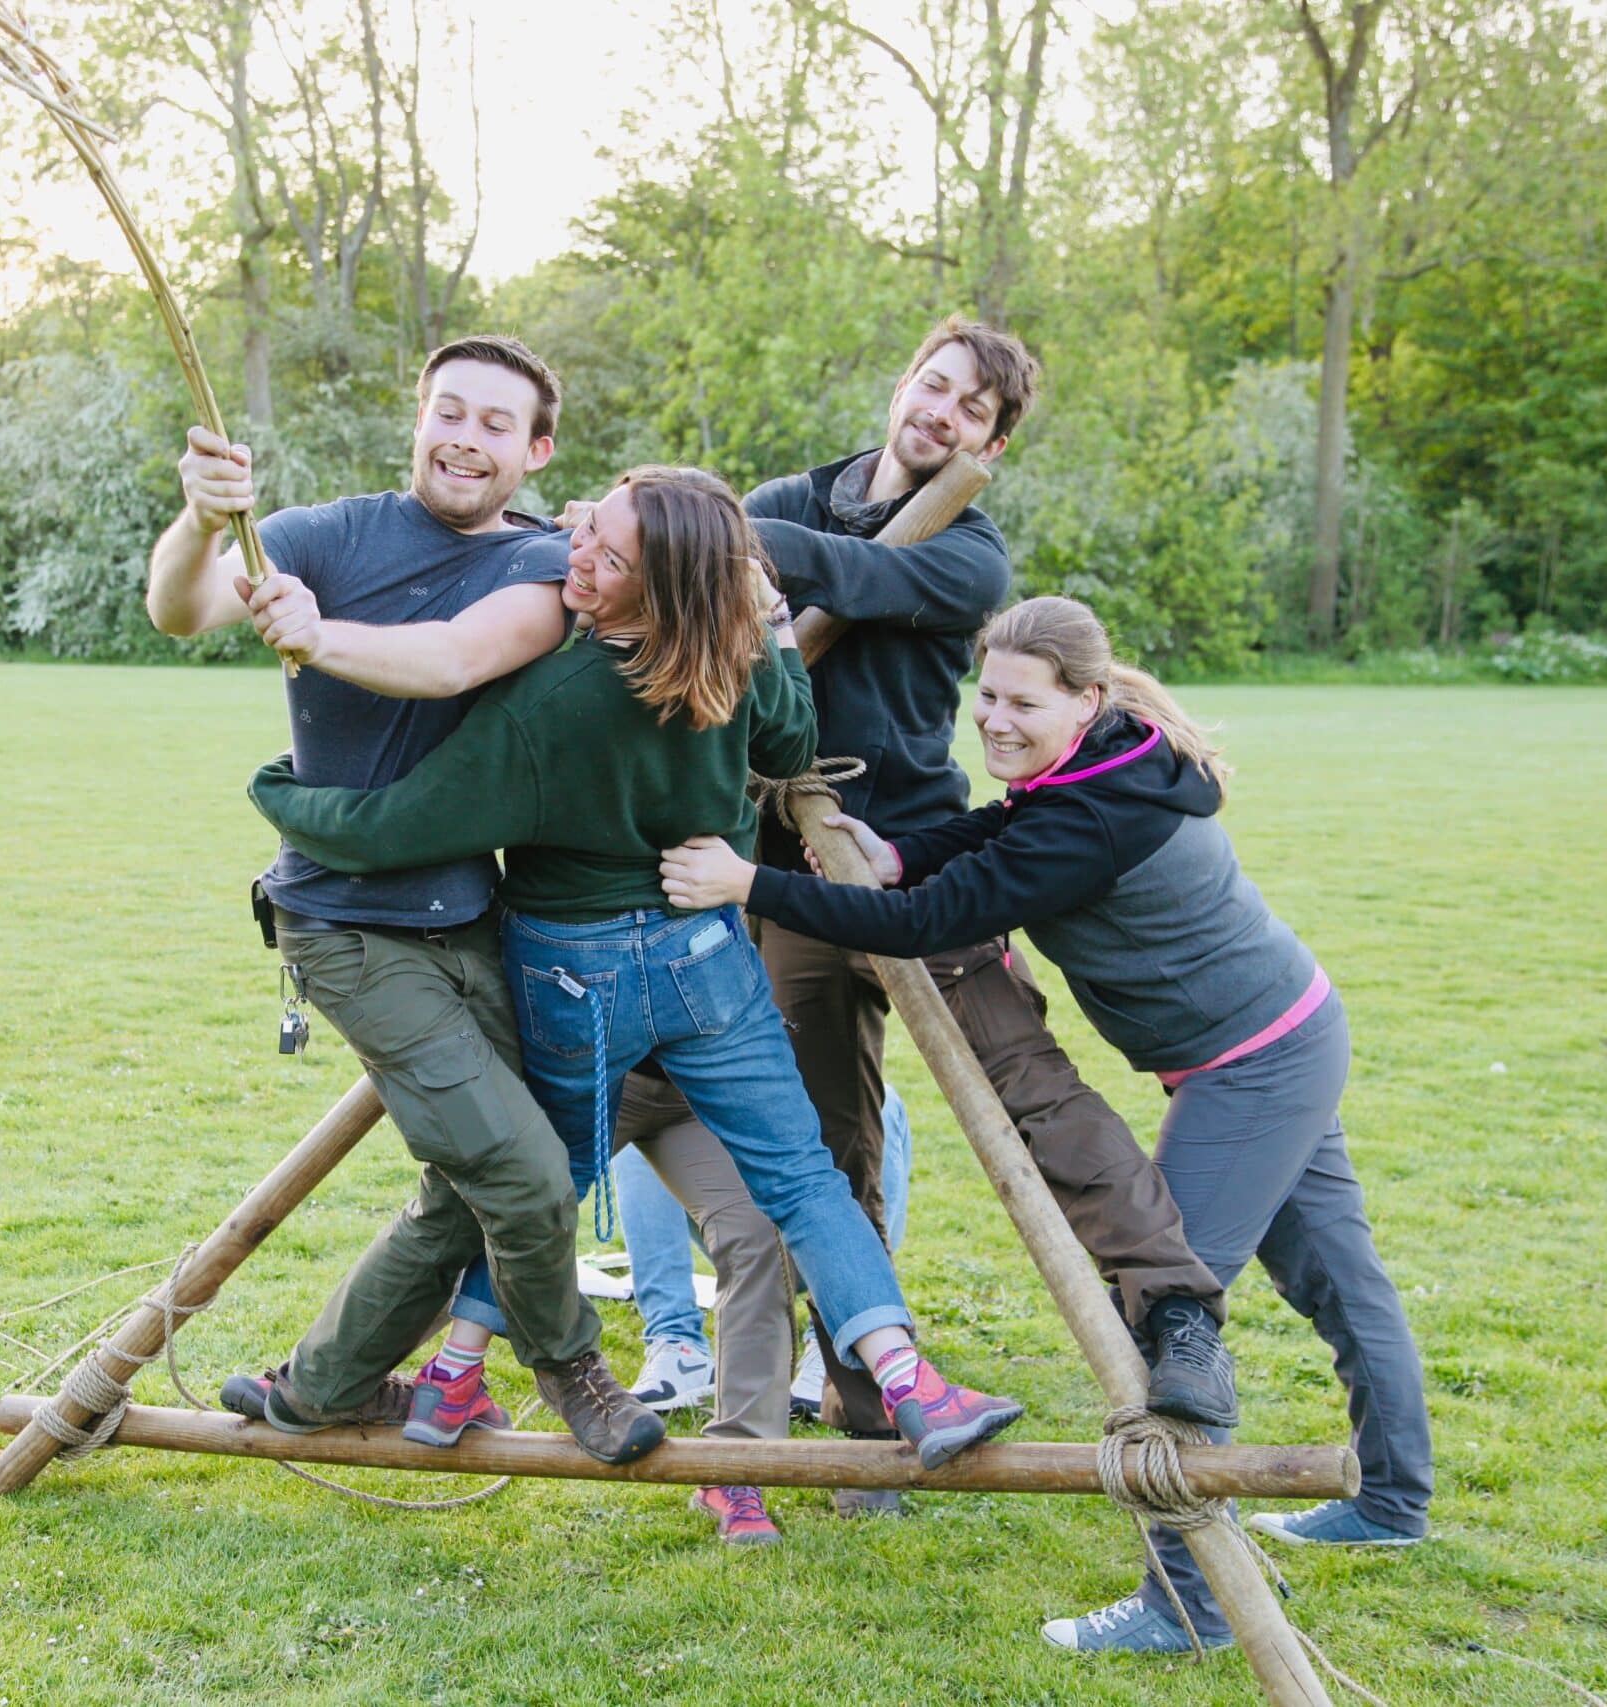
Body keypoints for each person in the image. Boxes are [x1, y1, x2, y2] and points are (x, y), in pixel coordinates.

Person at [250, 466, 1026, 1544]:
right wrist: (775, 626)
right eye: (586, 531)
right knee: (802, 1179)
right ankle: (911, 1383)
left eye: (609, 557)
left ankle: (455, 1370)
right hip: (706, 953)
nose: (579, 558)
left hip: (575, 971)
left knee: (554, 1175)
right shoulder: (732, 652)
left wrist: (281, 792)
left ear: (656, 588)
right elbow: (792, 744)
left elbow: (402, 826)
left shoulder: (554, 701)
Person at [659, 594, 1434, 1649]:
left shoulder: (1096, 813)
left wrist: (751, 882)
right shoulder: (1096, 768)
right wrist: (901, 849)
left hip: (1252, 1070)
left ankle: (1189, 1604)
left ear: (1087, 700)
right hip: (1286, 1033)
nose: (994, 720)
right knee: (1333, 1278)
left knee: (1162, 1320)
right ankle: (1390, 1501)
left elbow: (935, 920)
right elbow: (997, 830)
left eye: (1022, 702)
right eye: (985, 697)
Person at [624, 315, 1235, 1518]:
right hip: (785, 864)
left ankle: (1172, 1303)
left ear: (989, 446)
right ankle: (869, 1422)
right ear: (903, 385)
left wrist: (742, 544)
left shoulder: (971, 556)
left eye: (971, 412)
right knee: (831, 1139)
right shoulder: (794, 494)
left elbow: (852, 575)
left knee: (1025, 1086)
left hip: (909, 856)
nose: (940, 415)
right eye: (933, 387)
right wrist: (748, 549)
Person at [147, 334, 663, 1465]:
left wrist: (320, 635)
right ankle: (572, 1367)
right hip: (342, 923)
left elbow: (457, 659)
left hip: (472, 915)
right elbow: (181, 613)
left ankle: (320, 1386)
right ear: (416, 420)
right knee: (522, 1172)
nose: (464, 439)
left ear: (535, 452)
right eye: (449, 412)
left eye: (494, 424)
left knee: (472, 1182)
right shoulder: (332, 533)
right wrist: (199, 517)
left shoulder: (539, 565)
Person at [616, 1085, 910, 1418]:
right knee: (650, 1117)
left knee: (874, 1101)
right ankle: (676, 1343)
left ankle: (830, 1343)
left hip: (820, 1204)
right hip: (737, 1213)